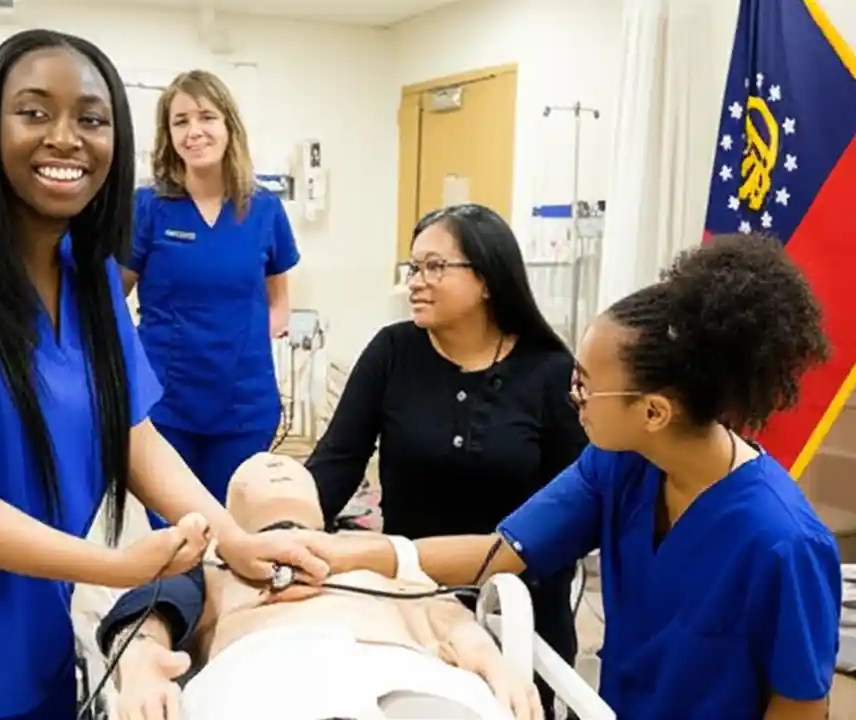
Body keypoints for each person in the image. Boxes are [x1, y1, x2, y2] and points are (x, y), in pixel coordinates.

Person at [0, 29, 328, 720]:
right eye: (33, 112)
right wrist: (115, 567)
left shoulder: (84, 275)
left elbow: (131, 431)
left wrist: (236, 542)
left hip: (30, 611)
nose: (66, 137)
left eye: (91, 119)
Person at [304, 234, 841, 719]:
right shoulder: (621, 464)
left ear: (653, 412)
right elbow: (501, 552)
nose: (573, 399)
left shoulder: (783, 542)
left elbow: (799, 703)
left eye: (584, 386)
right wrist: (352, 555)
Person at [307, 203, 585, 716]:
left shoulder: (550, 373)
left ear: (487, 280)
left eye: (435, 267)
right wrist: (290, 529)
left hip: (518, 609)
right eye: (413, 268)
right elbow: (336, 463)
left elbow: (572, 509)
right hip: (412, 603)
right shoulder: (392, 353)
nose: (416, 281)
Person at [96, 453, 541, 720]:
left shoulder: (370, 551)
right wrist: (138, 662)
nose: (274, 464)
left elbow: (444, 615)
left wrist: (491, 662)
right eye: (253, 472)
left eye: (289, 466)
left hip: (404, 672)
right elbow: (152, 610)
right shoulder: (214, 564)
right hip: (263, 679)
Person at [122, 70, 299, 525]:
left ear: (229, 126)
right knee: (178, 534)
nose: (194, 131)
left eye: (206, 117)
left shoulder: (263, 208)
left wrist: (252, 341)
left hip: (243, 402)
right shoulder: (149, 206)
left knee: (235, 532)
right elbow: (110, 300)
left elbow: (279, 294)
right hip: (166, 401)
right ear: (168, 135)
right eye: (180, 121)